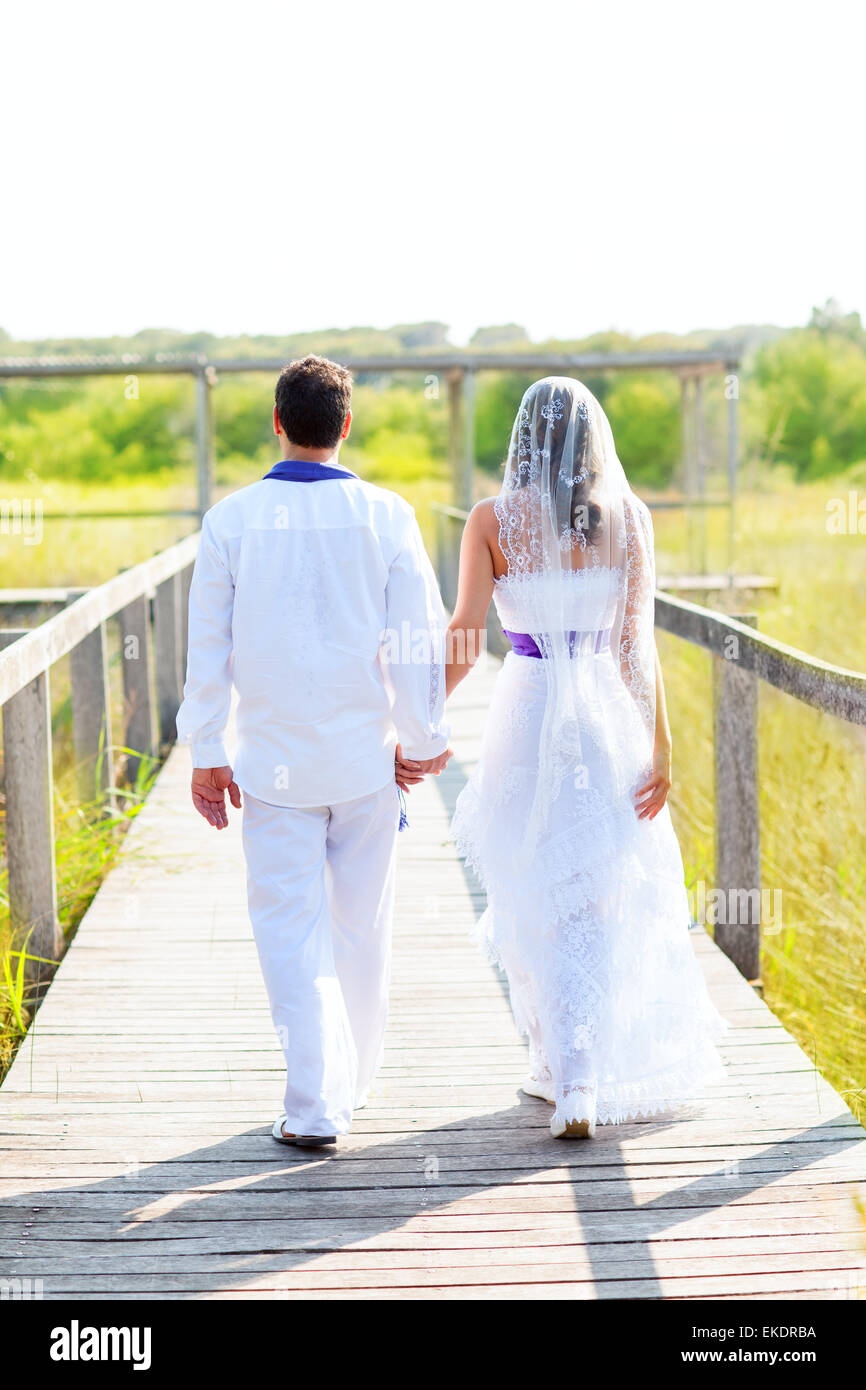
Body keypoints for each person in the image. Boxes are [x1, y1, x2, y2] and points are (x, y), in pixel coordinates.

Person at [176, 355, 451, 1148]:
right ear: (346, 425)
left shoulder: (230, 521)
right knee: (361, 929)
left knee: (290, 929)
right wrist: (423, 739)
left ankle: (314, 1103)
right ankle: (352, 1083)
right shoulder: (388, 515)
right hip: (366, 766)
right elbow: (414, 639)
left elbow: (209, 649)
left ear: (277, 421)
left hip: (272, 767)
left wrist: (205, 750)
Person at [444, 377, 727, 1139]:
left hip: (528, 708)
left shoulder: (491, 520)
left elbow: (467, 632)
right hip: (604, 709)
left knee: (526, 881)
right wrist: (660, 741)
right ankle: (576, 1076)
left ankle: (561, 1069)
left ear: (523, 441)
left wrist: (421, 713)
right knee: (599, 886)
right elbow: (637, 643)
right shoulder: (630, 519)